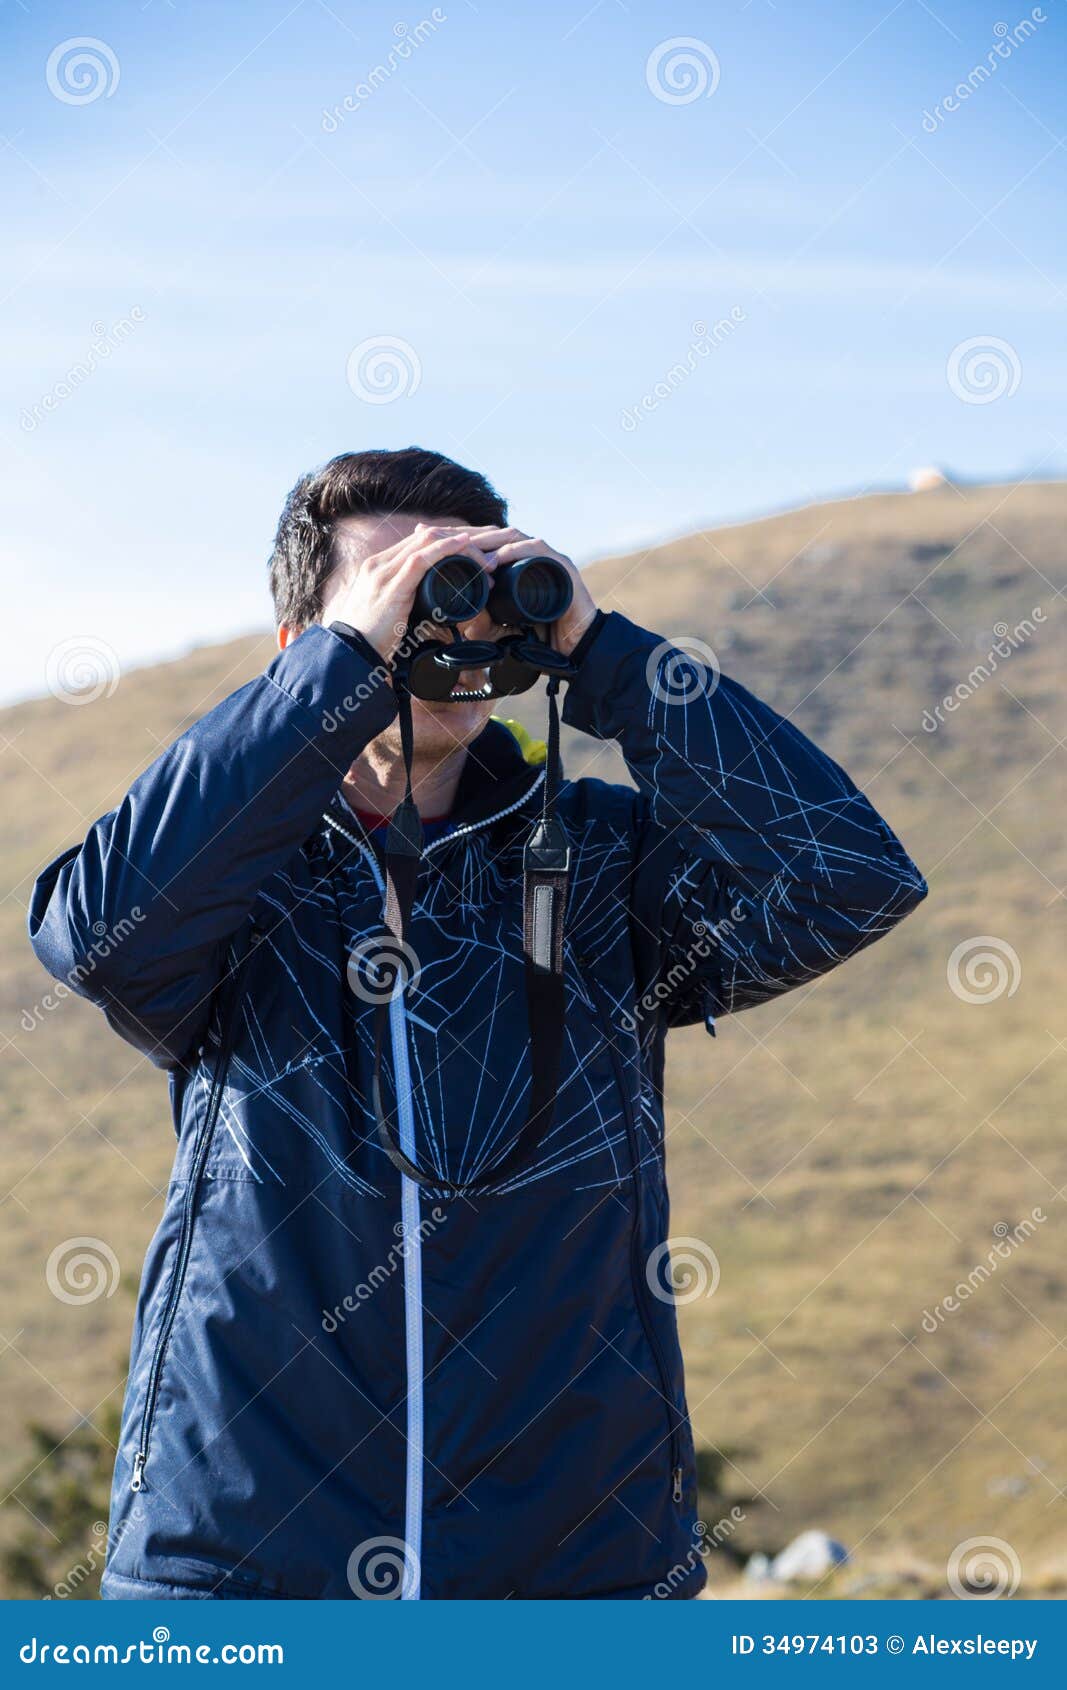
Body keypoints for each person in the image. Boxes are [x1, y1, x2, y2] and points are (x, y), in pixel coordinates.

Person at [28, 447, 927, 1600]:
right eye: (402, 598)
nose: (442, 633)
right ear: (307, 647)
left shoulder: (598, 865)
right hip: (245, 1560)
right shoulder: (233, 884)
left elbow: (847, 874)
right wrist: (344, 669)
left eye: (462, 593)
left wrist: (608, 658)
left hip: (569, 1567)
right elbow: (96, 935)